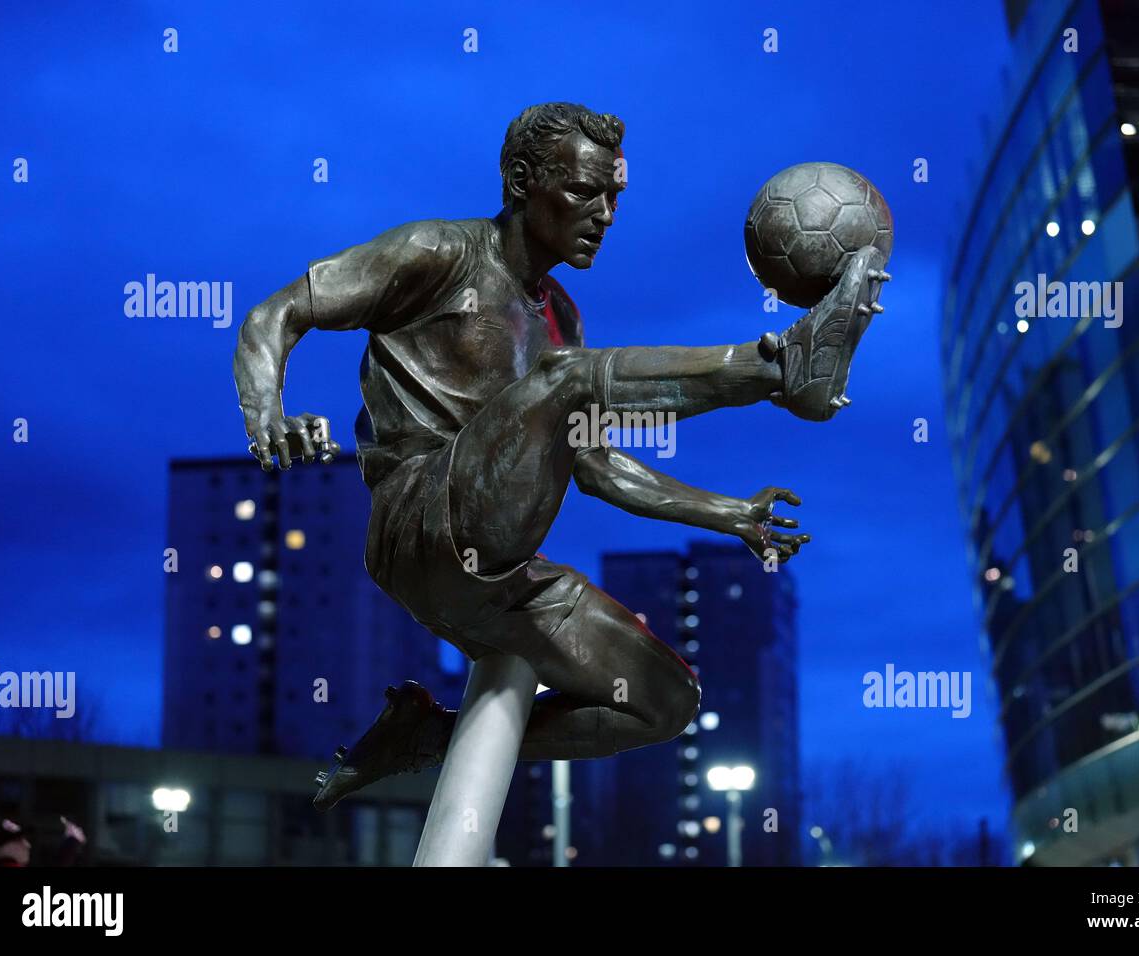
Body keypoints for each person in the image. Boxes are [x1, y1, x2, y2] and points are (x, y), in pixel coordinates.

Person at [232, 102, 889, 810]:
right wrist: (265, 412)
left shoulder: (563, 319)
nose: (604, 213)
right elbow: (275, 315)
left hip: (498, 574)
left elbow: (595, 463)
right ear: (521, 180)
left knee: (664, 701)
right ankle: (781, 370)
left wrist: (728, 514)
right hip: (420, 525)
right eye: (583, 192)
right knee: (567, 380)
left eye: (615, 196)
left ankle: (422, 740)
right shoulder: (437, 251)